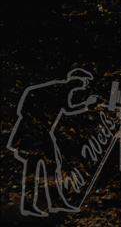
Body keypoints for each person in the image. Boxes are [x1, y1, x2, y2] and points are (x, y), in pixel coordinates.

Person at [6, 69, 97, 216]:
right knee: (36, 170)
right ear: (75, 80)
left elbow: (66, 109)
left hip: (40, 136)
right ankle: (33, 205)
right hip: (32, 136)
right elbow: (63, 108)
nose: (84, 86)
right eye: (83, 82)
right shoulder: (55, 89)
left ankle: (49, 204)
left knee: (49, 169)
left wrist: (86, 104)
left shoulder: (60, 90)